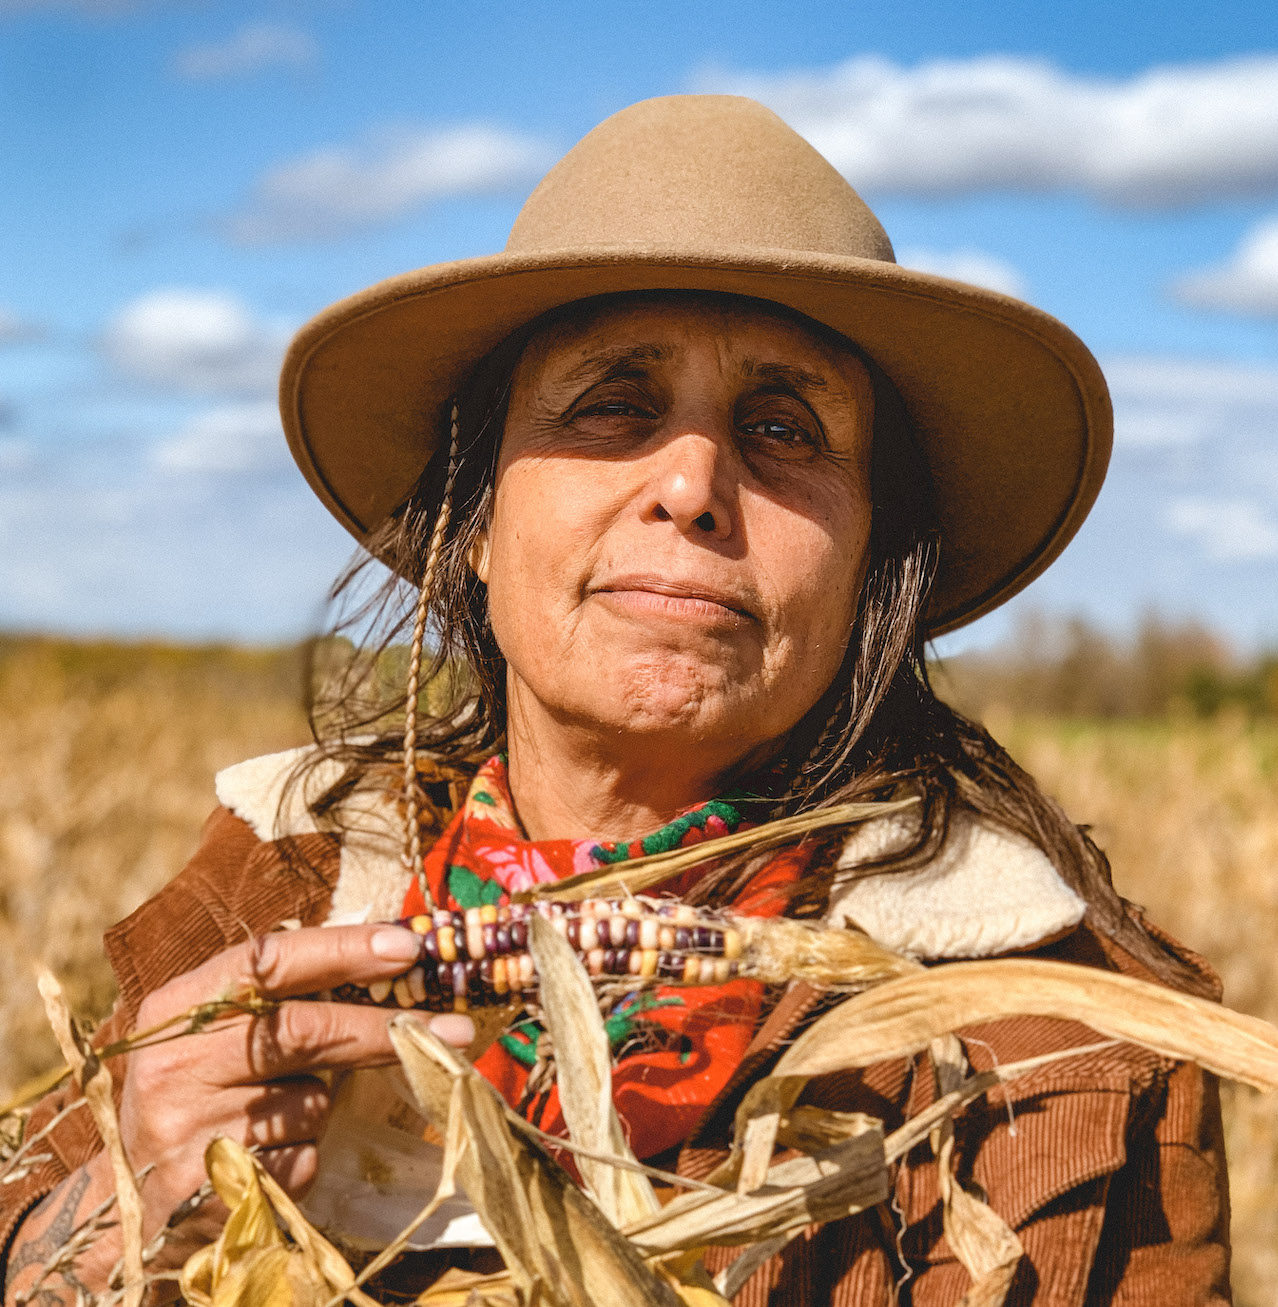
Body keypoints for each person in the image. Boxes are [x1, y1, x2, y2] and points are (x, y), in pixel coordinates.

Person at [1, 96, 1229, 1306]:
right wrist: (96, 1232)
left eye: (782, 427)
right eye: (615, 406)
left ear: (872, 570)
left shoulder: (1053, 1030)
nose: (694, 482)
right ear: (475, 525)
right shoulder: (276, 886)